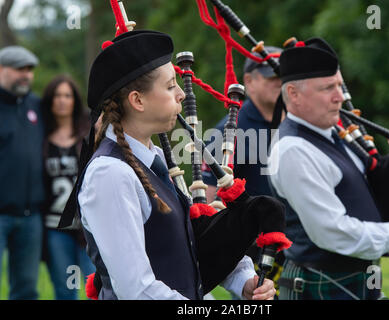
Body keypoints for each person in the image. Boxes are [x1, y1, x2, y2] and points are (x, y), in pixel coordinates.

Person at [72, 30, 275, 300]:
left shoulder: (152, 158)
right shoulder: (110, 174)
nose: (181, 94)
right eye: (170, 86)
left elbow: (187, 247)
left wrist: (243, 281)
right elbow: (136, 290)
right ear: (137, 100)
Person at [267, 38, 389, 300]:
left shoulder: (334, 130)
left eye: (340, 86)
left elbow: (360, 185)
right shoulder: (293, 151)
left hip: (358, 281)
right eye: (328, 88)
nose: (339, 96)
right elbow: (332, 232)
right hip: (318, 286)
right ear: (294, 94)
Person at [203, 46, 282, 203]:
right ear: (249, 81)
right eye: (272, 77)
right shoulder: (226, 133)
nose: (280, 82)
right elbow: (209, 205)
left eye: (284, 76)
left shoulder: (298, 122)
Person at [41, 75, 95, 299]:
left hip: (88, 227)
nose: (62, 100)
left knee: (96, 287)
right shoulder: (41, 136)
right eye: (57, 96)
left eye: (67, 95)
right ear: (50, 100)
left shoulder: (89, 134)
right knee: (64, 290)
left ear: (75, 100)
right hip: (56, 227)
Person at [0, 46, 43, 300]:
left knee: (26, 288)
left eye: (29, 70)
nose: (26, 75)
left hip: (30, 217)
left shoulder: (36, 106)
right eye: (19, 69)